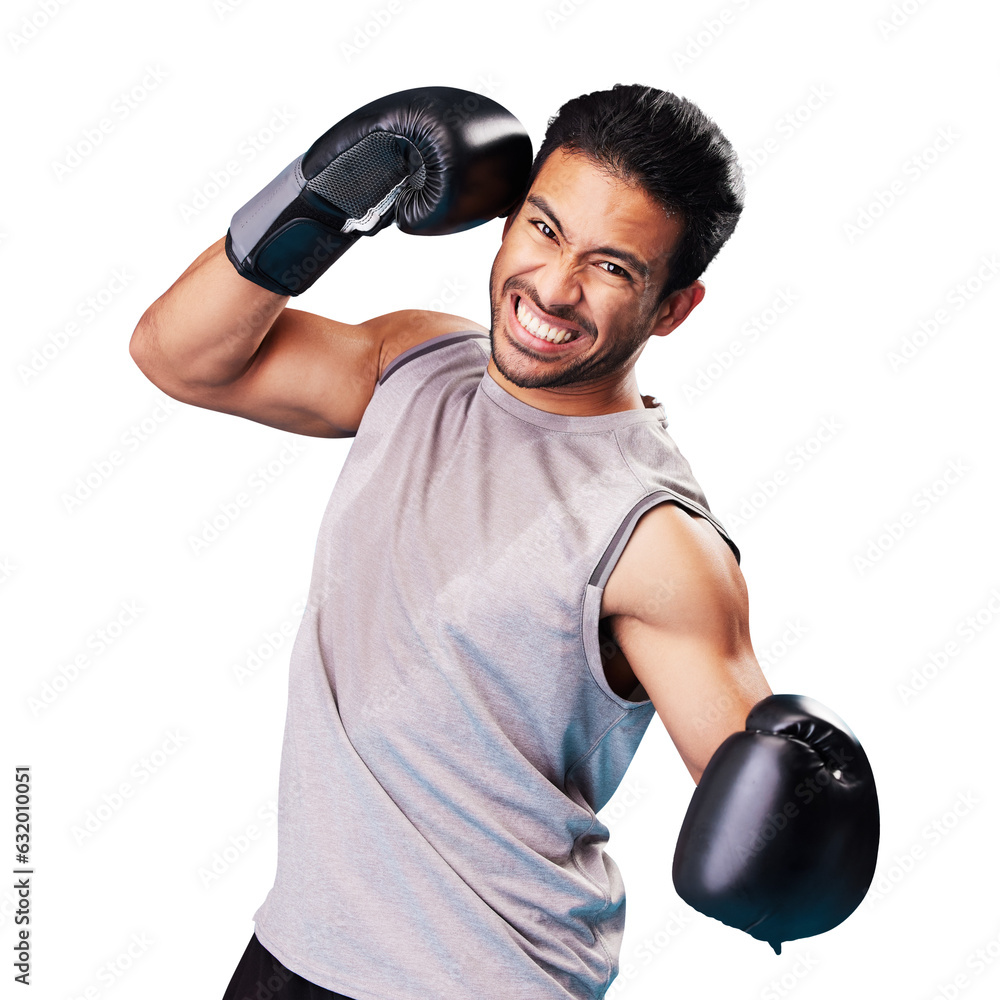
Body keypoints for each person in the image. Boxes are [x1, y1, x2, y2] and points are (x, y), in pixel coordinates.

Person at [130, 84, 877, 1000]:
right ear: (506, 221)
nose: (554, 289)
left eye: (612, 268)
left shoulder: (653, 538)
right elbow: (177, 356)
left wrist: (807, 830)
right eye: (545, 229)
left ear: (675, 308)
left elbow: (755, 786)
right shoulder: (413, 366)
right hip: (297, 950)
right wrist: (327, 195)